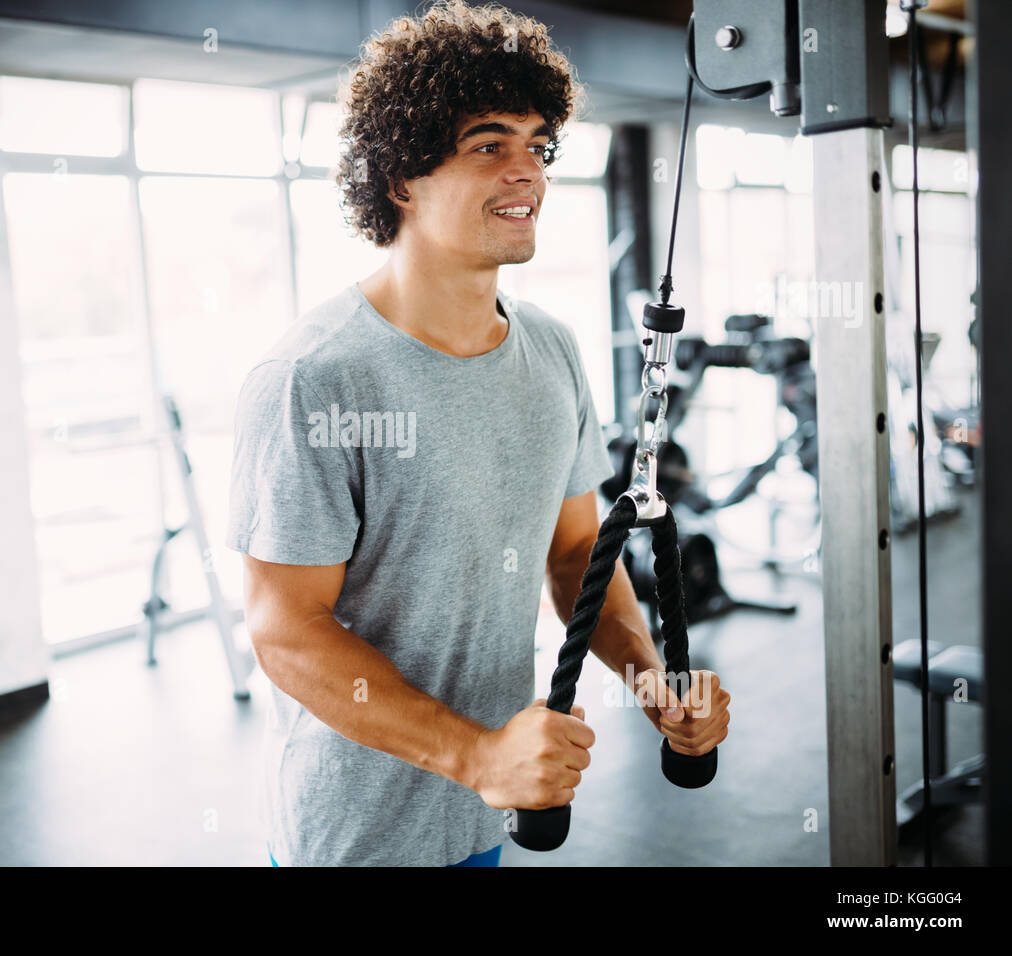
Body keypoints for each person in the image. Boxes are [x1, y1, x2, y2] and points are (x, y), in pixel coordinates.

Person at [226, 0, 730, 867]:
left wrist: (651, 679)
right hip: (358, 837)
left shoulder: (553, 352)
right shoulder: (313, 379)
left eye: (538, 146)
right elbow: (286, 629)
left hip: (488, 815)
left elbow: (578, 554)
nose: (526, 174)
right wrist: (476, 754)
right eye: (488, 145)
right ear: (400, 179)